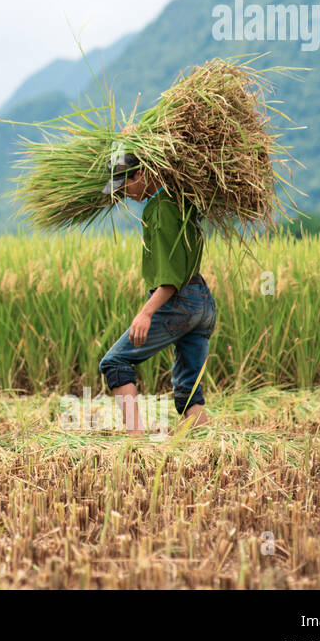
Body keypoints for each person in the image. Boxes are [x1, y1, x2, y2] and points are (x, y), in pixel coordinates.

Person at [97, 151, 215, 433]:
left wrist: (146, 312)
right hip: (202, 302)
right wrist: (136, 139)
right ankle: (208, 449)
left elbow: (170, 280)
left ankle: (136, 441)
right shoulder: (180, 195)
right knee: (188, 391)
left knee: (115, 362)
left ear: (141, 175)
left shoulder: (159, 211)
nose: (123, 194)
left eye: (124, 184)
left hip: (180, 302)